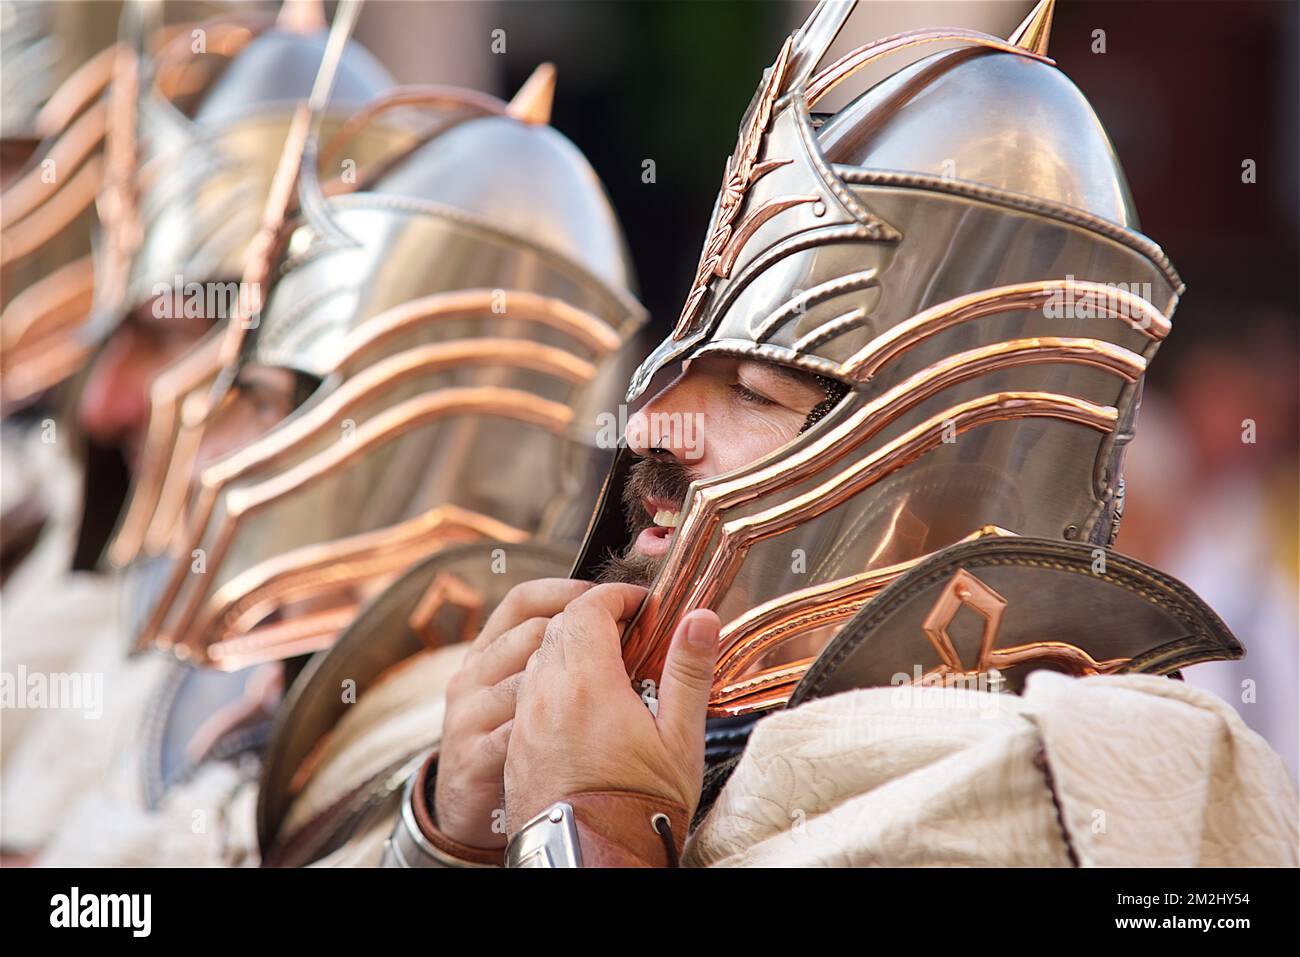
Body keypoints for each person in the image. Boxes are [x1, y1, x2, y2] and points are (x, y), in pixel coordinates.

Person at [263, 0, 1296, 869]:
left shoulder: (1063, 793)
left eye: (756, 393)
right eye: (678, 373)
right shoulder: (662, 728)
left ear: (953, 468)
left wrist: (591, 829)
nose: (652, 425)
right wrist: (452, 835)